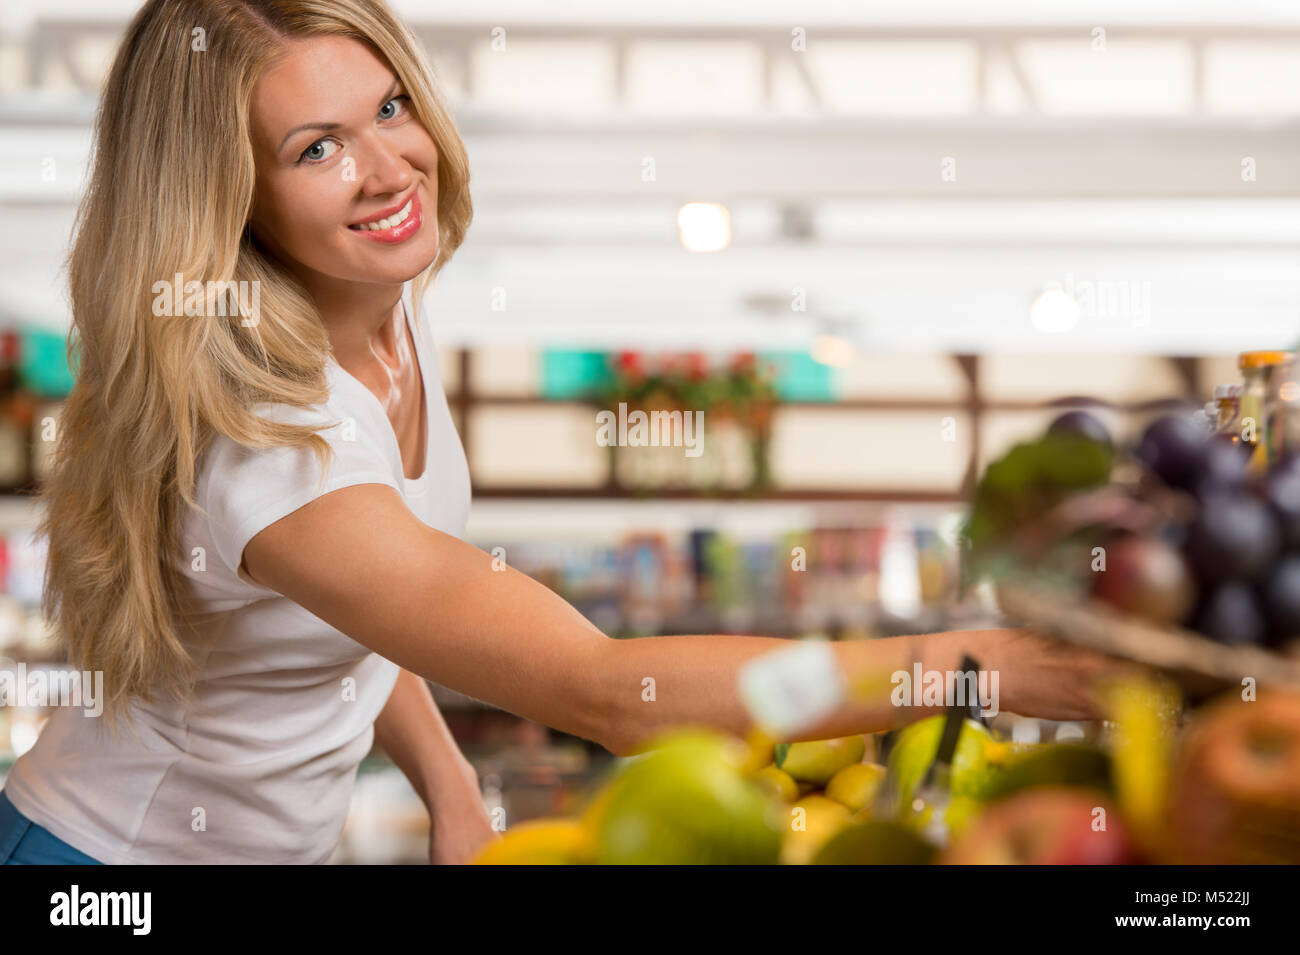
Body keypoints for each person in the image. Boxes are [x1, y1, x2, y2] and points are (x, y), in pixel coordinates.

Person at [0, 0, 1125, 865]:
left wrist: (448, 782)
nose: (390, 169)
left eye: (388, 108)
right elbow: (606, 691)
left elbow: (372, 610)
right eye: (316, 148)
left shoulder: (383, 309)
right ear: (225, 198)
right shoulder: (267, 442)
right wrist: (975, 669)